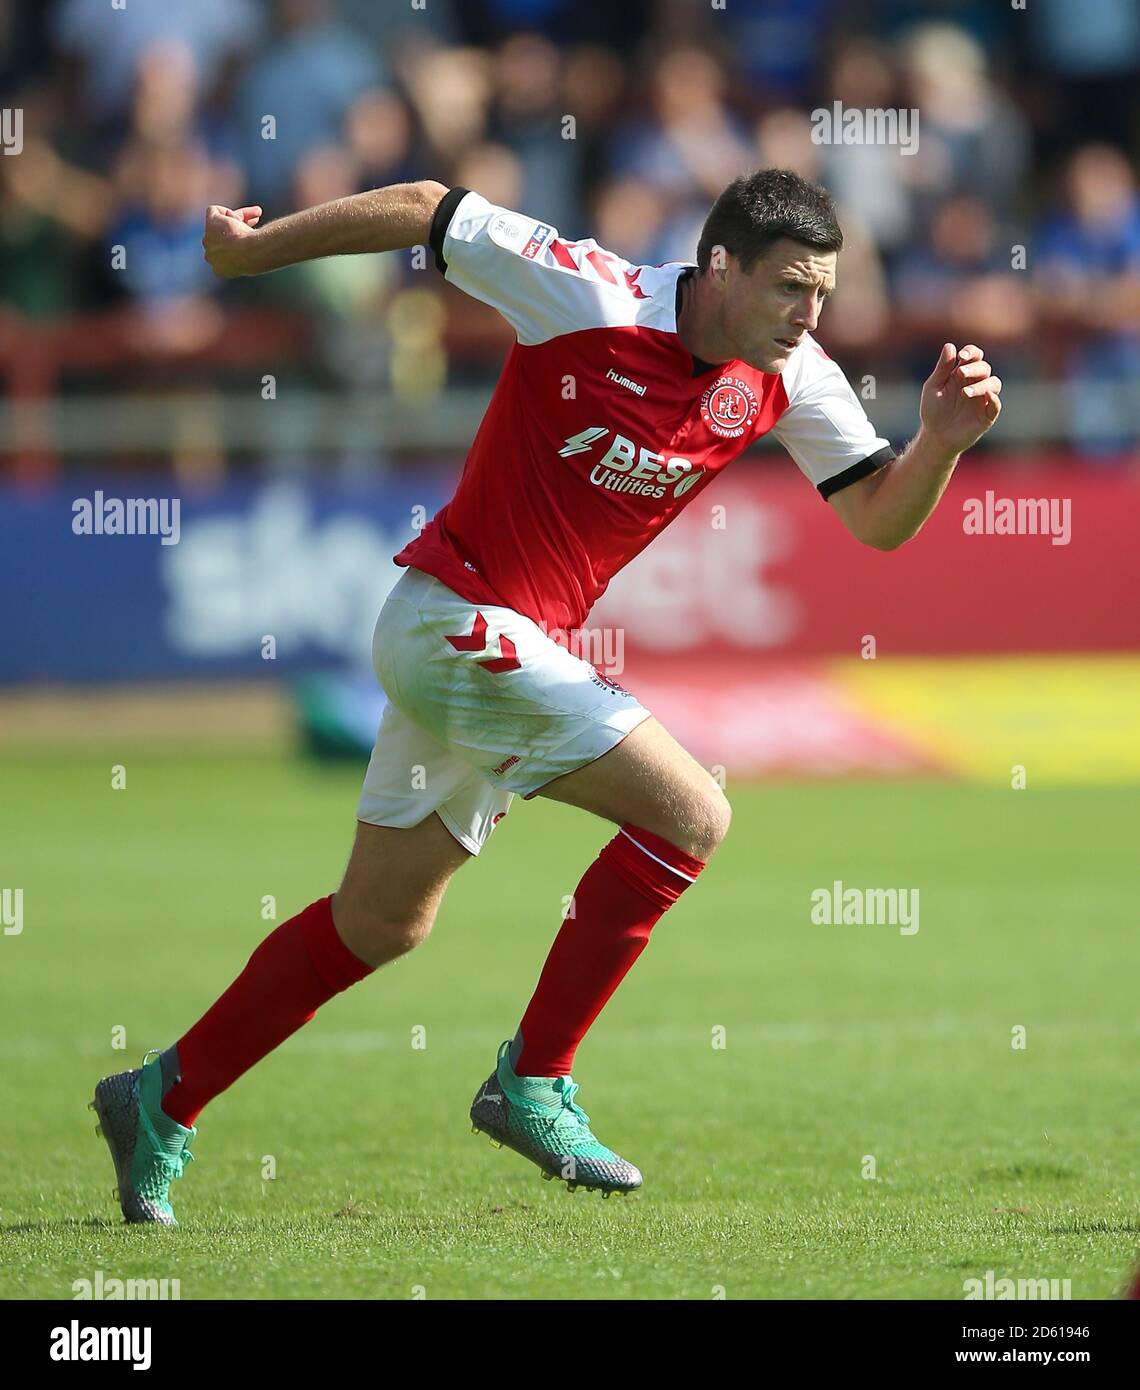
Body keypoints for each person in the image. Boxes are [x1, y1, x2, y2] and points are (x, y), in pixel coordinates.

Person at [92, 168, 1001, 1221]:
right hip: (454, 617)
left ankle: (159, 1095)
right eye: (792, 287)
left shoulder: (789, 375)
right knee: (693, 812)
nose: (811, 314)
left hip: (499, 650)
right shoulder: (590, 295)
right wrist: (254, 255)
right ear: (721, 267)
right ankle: (532, 1081)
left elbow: (880, 520)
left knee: (382, 922)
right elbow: (427, 207)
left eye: (824, 295)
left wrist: (938, 440)